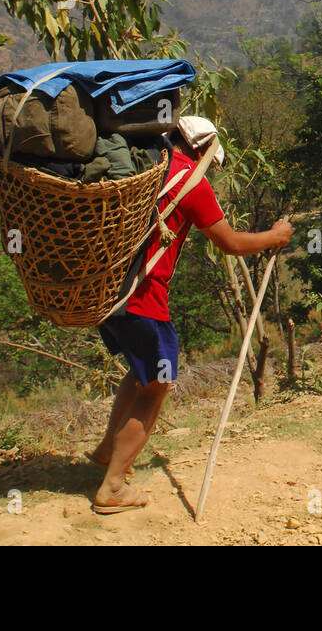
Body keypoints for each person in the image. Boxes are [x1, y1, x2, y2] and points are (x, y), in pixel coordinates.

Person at [89, 115, 293, 514]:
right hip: (143, 297)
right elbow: (230, 243)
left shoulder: (147, 168)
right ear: (202, 150)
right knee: (158, 383)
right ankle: (112, 487)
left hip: (109, 295)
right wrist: (275, 237)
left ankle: (106, 451)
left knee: (140, 371)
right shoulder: (189, 182)